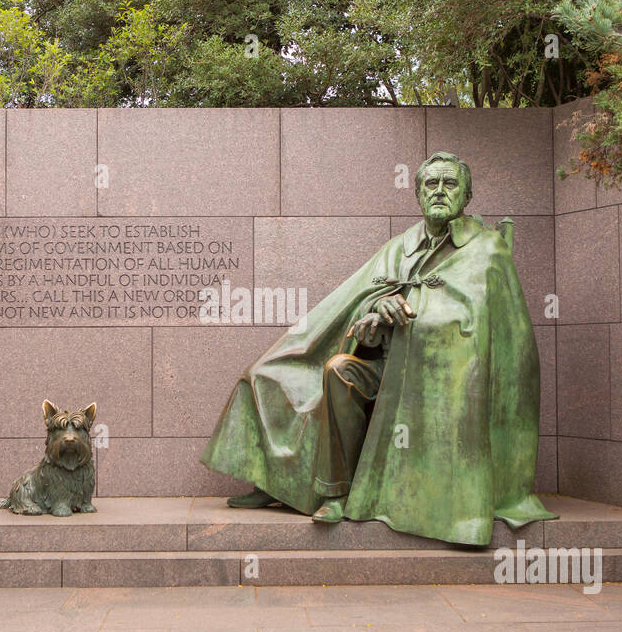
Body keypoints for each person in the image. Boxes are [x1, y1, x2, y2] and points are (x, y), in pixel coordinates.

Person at [200, 151, 555, 546]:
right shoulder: (400, 246)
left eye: (449, 184)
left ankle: (356, 494)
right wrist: (374, 310)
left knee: (340, 372)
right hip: (384, 366)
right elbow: (359, 301)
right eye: (430, 185)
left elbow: (488, 330)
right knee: (306, 370)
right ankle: (306, 487)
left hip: (439, 377)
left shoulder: (487, 249)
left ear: (467, 194)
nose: (439, 192)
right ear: (418, 195)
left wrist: (412, 313)